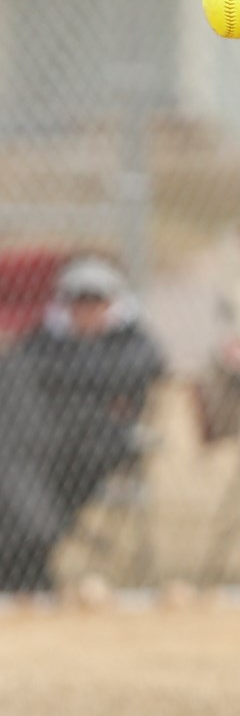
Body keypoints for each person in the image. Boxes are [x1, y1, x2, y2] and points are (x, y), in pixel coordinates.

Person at [0, 253, 165, 593]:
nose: (88, 310)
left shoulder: (133, 341)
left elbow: (145, 368)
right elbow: (18, 369)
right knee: (18, 443)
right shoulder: (44, 340)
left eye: (96, 300)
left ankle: (33, 546)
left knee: (17, 464)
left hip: (97, 442)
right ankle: (31, 549)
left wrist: (62, 377)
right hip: (41, 441)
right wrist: (95, 385)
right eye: (79, 301)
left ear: (112, 302)